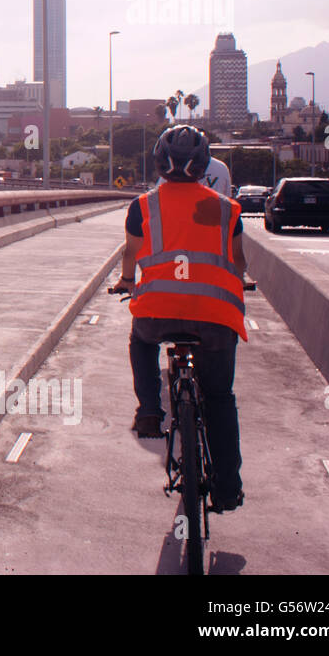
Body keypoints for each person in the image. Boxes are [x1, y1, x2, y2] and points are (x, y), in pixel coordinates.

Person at [110, 124, 246, 513]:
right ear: (204, 165)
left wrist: (124, 282)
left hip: (157, 313)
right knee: (219, 398)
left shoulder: (142, 207)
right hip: (215, 318)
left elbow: (131, 255)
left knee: (141, 341)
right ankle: (226, 489)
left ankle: (150, 410)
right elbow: (238, 263)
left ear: (159, 163)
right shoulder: (227, 209)